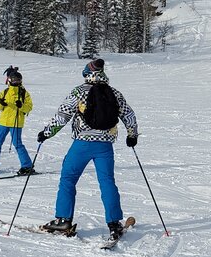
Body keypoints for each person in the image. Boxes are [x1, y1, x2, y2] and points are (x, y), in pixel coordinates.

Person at [36, 59, 139, 241]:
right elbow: (128, 115)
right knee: (107, 182)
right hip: (105, 146)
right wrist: (132, 135)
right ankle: (114, 223)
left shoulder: (78, 92)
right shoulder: (114, 93)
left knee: (68, 179)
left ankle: (63, 219)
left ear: (86, 75)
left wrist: (46, 133)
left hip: (82, 144)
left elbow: (63, 115)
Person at [0, 66, 34, 175]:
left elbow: (29, 107)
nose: (16, 82)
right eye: (14, 80)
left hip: (16, 123)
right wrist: (0, 104)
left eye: (18, 80)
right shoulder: (5, 92)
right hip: (3, 122)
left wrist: (21, 106)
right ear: (10, 80)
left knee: (17, 144)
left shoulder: (24, 93)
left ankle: (27, 166)